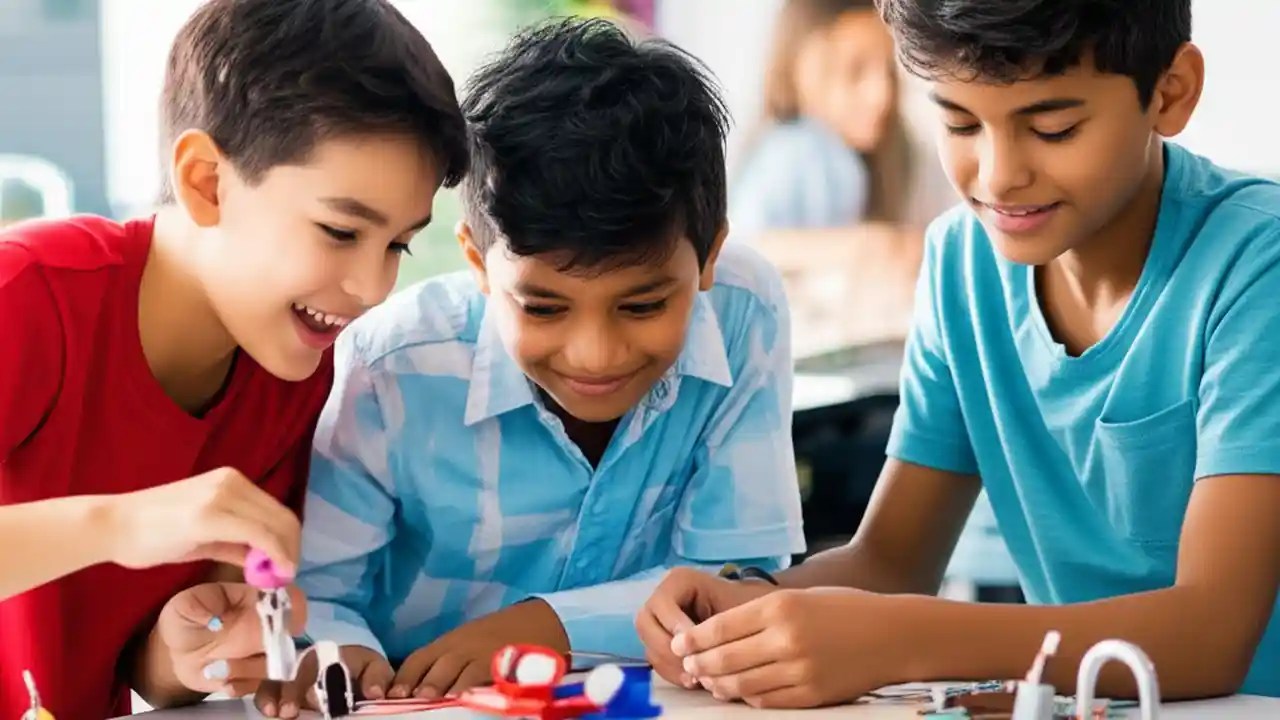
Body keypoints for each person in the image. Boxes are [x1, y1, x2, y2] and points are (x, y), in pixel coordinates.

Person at [638, 0, 1280, 707]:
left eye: (1052, 127)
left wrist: (899, 639)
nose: (999, 176)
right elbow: (889, 561)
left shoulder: (1256, 264)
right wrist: (743, 608)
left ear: (1170, 92)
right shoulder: (962, 261)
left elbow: (1214, 637)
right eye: (959, 122)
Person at [253, 18, 805, 718]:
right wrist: (334, 652)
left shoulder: (742, 312)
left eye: (642, 306)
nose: (595, 354)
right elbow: (318, 597)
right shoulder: (391, 366)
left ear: (709, 256)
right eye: (544, 309)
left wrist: (549, 630)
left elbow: (739, 579)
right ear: (479, 264)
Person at [0, 0, 467, 717]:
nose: (374, 288)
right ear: (207, 182)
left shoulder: (290, 372)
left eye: (397, 245)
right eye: (341, 231)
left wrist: (197, 648)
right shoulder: (29, 296)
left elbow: (153, 674)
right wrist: (123, 525)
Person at [730, 0, 910, 239]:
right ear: (800, 71)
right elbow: (743, 242)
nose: (882, 95)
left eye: (889, 70)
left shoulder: (864, 160)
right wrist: (864, 246)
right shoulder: (794, 148)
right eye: (855, 71)